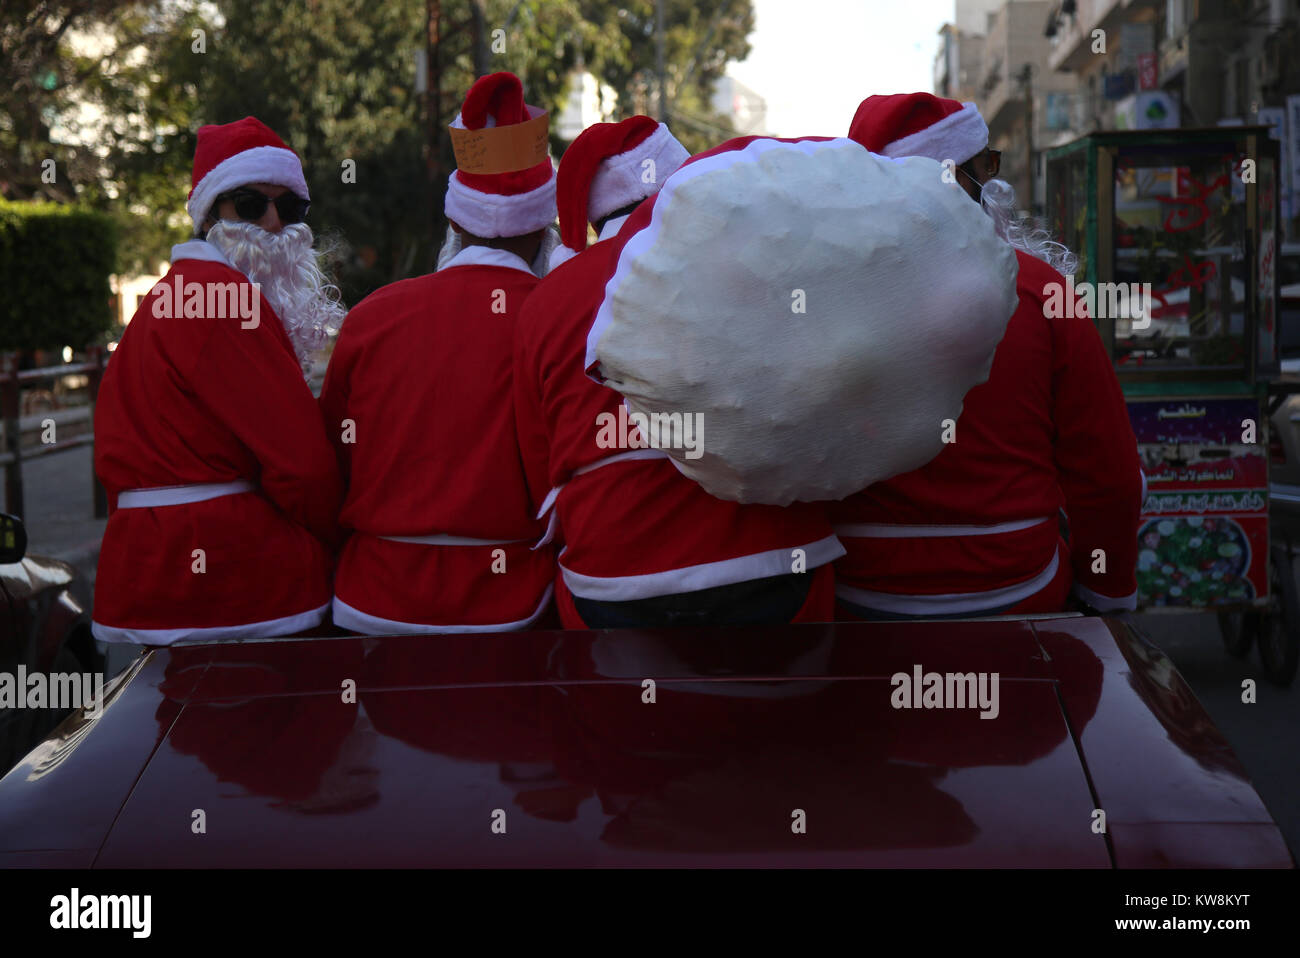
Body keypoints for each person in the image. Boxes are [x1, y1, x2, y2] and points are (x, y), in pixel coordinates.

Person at [513, 117, 844, 628]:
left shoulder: (545, 303)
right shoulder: (756, 253)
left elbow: (543, 468)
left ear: (595, 218)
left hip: (608, 587)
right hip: (772, 570)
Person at [832, 92, 1143, 618]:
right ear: (969, 181)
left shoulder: (826, 295)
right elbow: (1108, 473)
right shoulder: (1043, 290)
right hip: (1020, 586)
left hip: (860, 592)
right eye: (986, 166)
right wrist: (1108, 593)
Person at [319, 72, 555, 634]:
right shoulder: (558, 319)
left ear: (453, 221)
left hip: (373, 600)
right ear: (545, 230)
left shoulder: (371, 317)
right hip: (513, 604)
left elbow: (332, 460)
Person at [92, 116, 344, 644]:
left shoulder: (172, 296)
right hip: (230, 580)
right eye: (251, 205)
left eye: (291, 208)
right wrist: (337, 537)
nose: (275, 223)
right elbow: (301, 467)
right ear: (211, 216)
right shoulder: (225, 299)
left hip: (157, 573)